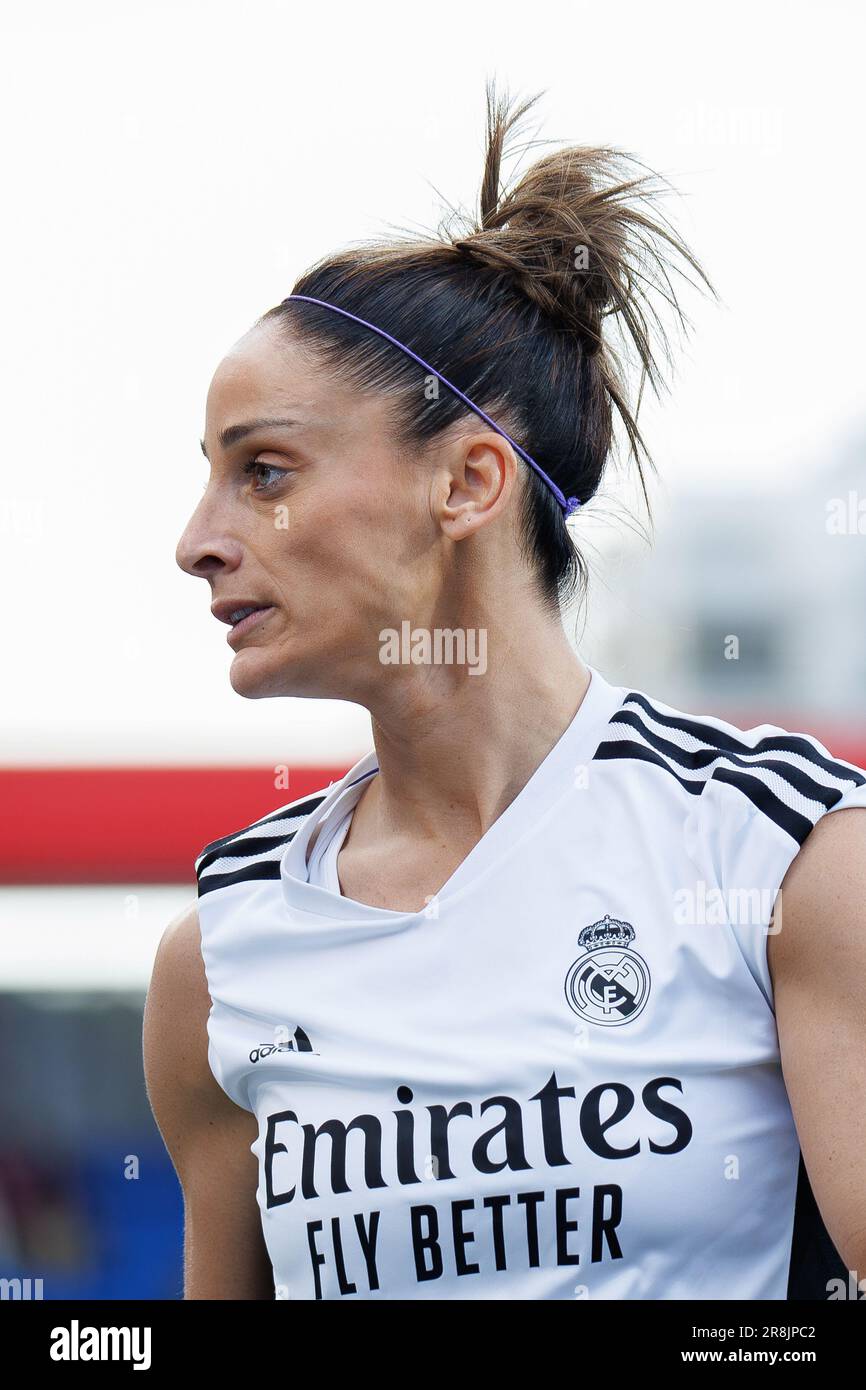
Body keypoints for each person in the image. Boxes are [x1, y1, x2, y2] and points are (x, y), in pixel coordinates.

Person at [143, 82, 866, 1300]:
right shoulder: (219, 956)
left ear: (470, 482)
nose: (198, 540)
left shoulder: (779, 853)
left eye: (263, 470)